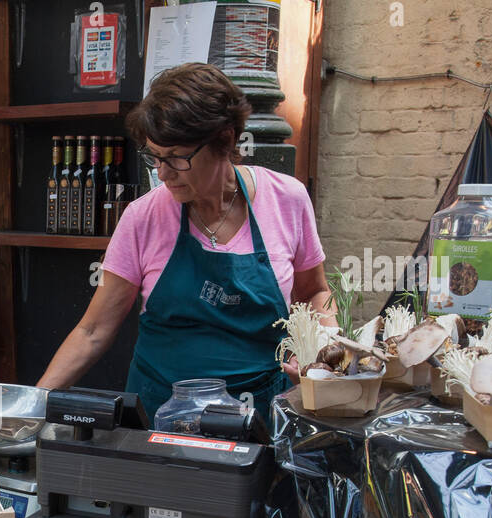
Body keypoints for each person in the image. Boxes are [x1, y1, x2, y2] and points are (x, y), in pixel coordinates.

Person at [38, 62, 333, 423]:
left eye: (177, 157)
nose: (162, 173)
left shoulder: (286, 199)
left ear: (224, 139)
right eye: (155, 157)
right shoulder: (142, 217)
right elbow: (93, 331)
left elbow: (315, 293)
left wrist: (319, 349)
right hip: (159, 418)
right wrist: (35, 404)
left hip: (258, 418)